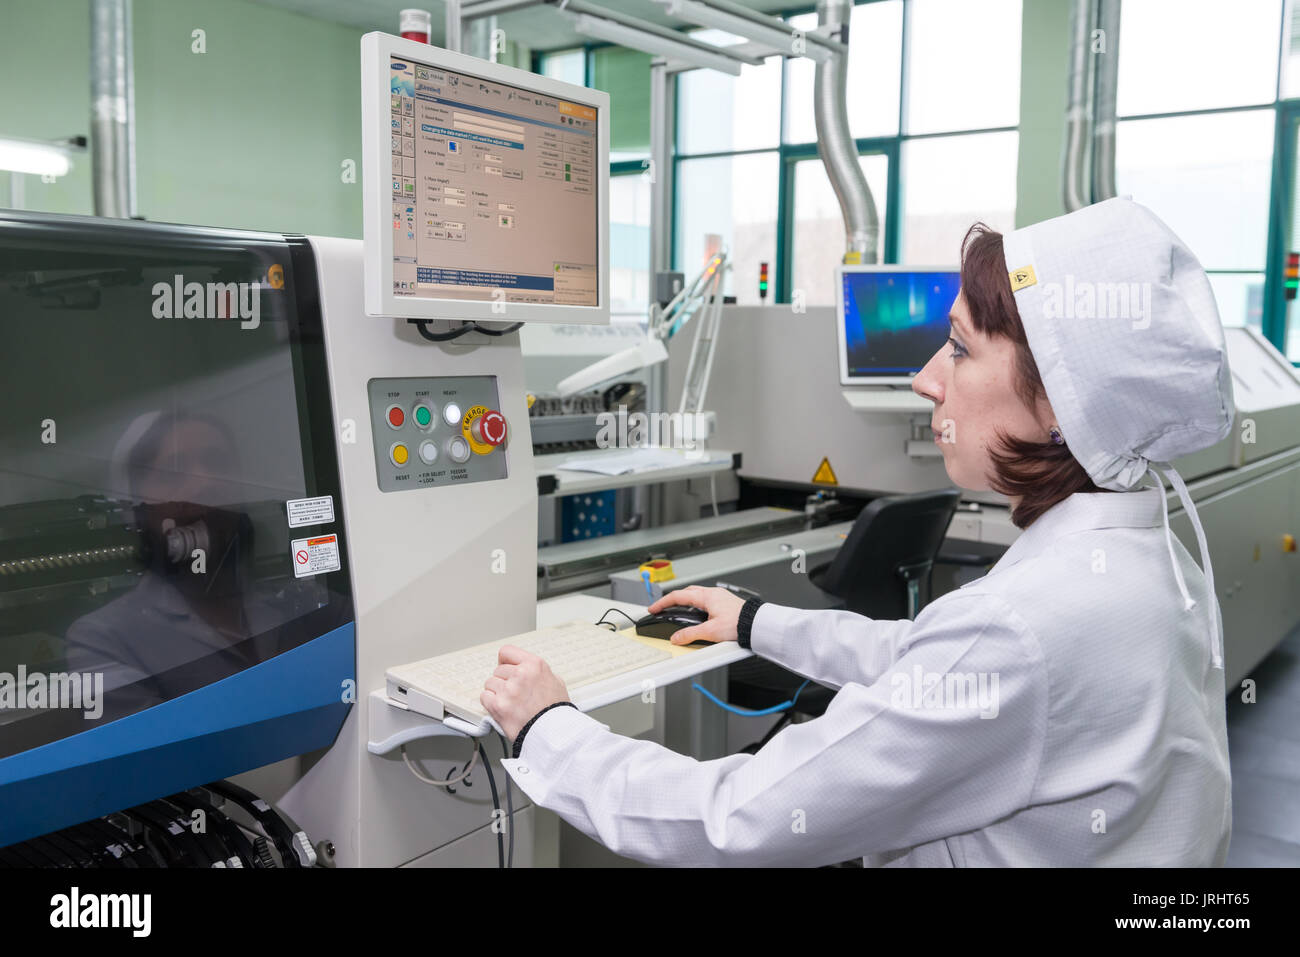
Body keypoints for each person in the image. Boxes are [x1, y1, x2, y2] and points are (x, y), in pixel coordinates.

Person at [482, 197, 1234, 866]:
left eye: (963, 348)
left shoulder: (1023, 626)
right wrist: (754, 620)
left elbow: (738, 817)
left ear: (1064, 403)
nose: (926, 378)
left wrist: (550, 730)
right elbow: (931, 660)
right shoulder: (1147, 558)